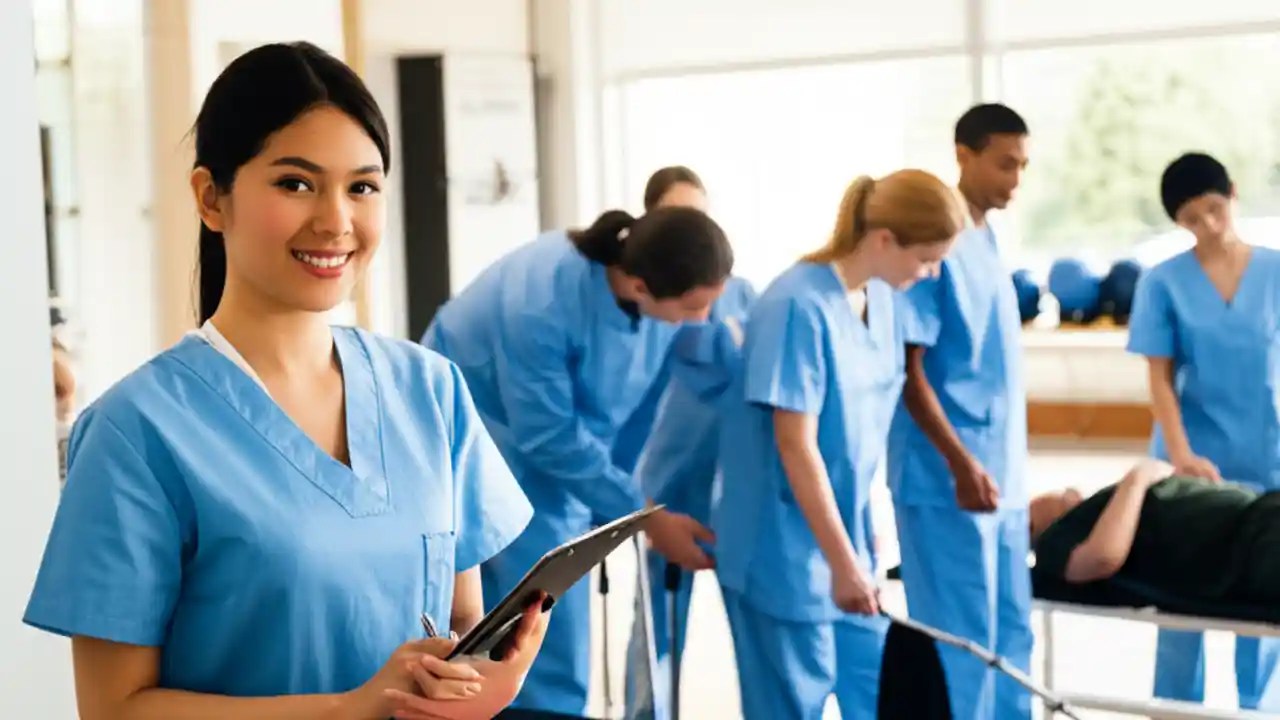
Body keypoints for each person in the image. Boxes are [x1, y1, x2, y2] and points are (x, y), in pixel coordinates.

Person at [23, 42, 547, 720]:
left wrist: (486, 683)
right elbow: (114, 709)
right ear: (212, 198)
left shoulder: (430, 391)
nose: (336, 221)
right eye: (296, 183)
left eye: (362, 186)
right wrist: (352, 707)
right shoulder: (137, 431)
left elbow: (461, 628)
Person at [421, 193, 735, 715]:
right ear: (640, 286)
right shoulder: (540, 298)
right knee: (533, 627)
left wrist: (627, 506)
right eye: (693, 307)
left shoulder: (648, 299)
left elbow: (652, 402)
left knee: (551, 627)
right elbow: (546, 432)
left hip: (557, 457)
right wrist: (644, 517)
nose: (702, 320)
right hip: (491, 445)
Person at [712, 169, 964, 719]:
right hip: (780, 549)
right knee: (792, 705)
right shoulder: (795, 306)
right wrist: (842, 560)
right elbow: (795, 445)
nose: (932, 272)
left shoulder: (884, 300)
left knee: (873, 690)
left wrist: (855, 542)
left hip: (844, 540)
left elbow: (857, 436)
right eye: (925, 258)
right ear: (883, 241)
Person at [887, 103, 1033, 720]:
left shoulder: (989, 240)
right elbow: (908, 371)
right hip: (946, 480)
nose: (1015, 180)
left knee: (1010, 634)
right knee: (961, 643)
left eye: (1024, 166)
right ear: (963, 155)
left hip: (1001, 476)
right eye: (1004, 164)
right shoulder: (933, 242)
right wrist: (960, 462)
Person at [1127, 152, 1280, 709]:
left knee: (1262, 603)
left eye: (1214, 209)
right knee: (1179, 604)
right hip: (1190, 458)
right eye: (1192, 219)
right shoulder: (1163, 283)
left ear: (1233, 195)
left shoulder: (1275, 270)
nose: (1208, 226)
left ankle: (1257, 710)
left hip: (1268, 454)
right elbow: (1161, 380)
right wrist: (1182, 455)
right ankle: (1173, 709)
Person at [618, 166, 757, 720]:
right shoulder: (645, 306)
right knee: (657, 626)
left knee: (754, 623)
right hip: (669, 485)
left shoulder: (740, 293)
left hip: (737, 485)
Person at [1031, 459, 1280, 609]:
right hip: (1250, 542)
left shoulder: (1101, 512)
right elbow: (1103, 558)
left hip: (1257, 516)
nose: (1069, 492)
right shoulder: (1055, 540)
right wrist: (1138, 478)